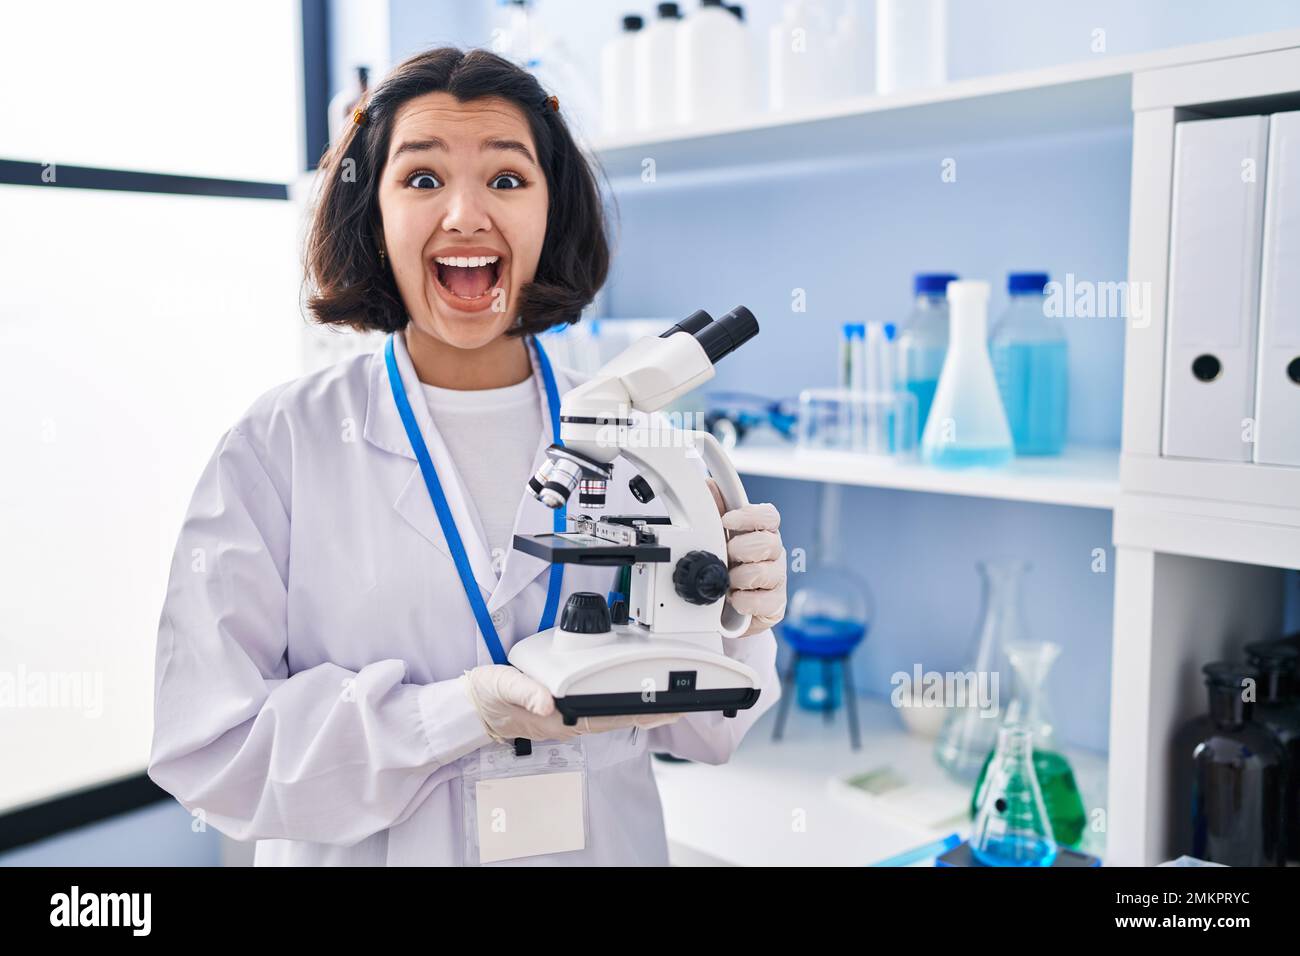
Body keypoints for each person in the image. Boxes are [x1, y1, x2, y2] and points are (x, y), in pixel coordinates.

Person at [148, 47, 785, 866]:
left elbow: (707, 731)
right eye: (420, 179)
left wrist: (738, 618)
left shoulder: (634, 437)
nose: (464, 214)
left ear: (552, 212)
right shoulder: (280, 446)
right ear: (370, 216)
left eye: (508, 179)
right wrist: (453, 716)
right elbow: (208, 743)